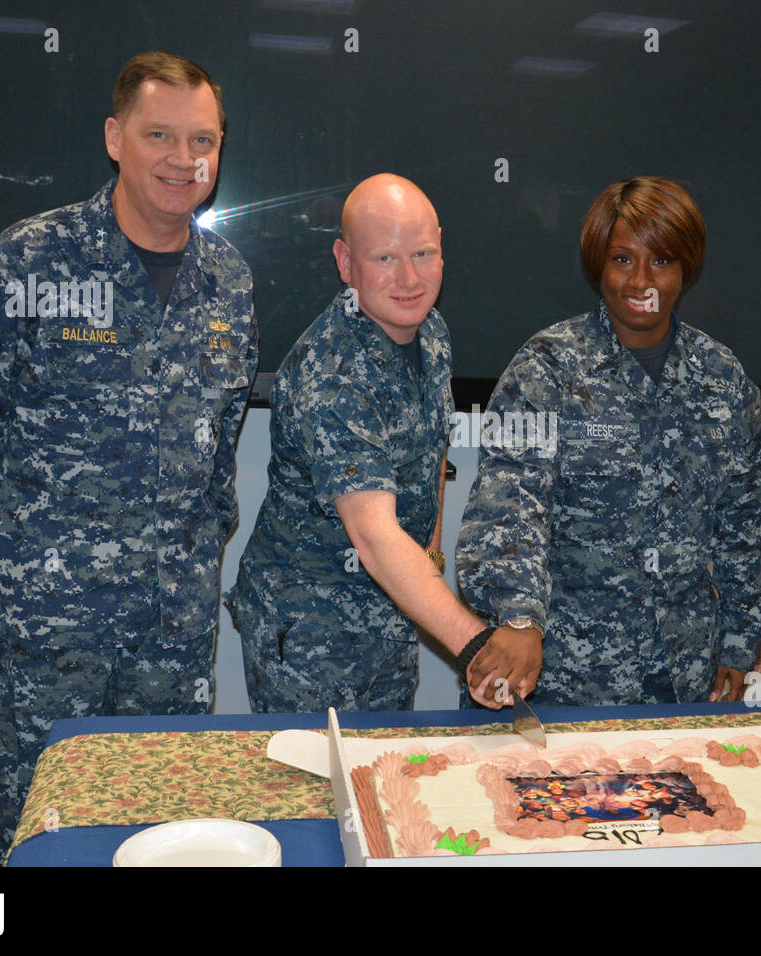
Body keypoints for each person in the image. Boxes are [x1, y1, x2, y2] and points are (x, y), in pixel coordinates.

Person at [0, 51, 256, 865]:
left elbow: (219, 447)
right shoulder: (27, 264)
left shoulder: (229, 282)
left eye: (203, 139)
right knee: (36, 841)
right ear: (113, 138)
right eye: (157, 133)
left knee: (163, 842)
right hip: (42, 640)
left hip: (172, 644)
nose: (182, 158)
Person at [455, 177, 761, 706]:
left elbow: (742, 523)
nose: (641, 280)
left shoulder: (723, 379)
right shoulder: (545, 367)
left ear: (686, 269)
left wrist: (743, 632)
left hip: (683, 678)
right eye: (623, 259)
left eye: (661, 261)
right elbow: (510, 505)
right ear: (598, 267)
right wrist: (517, 616)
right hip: (559, 679)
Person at [229, 174, 536, 713]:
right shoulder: (333, 375)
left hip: (392, 611)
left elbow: (431, 454)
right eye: (385, 259)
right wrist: (476, 645)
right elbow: (373, 535)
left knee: (385, 783)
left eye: (423, 253)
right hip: (310, 636)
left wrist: (431, 559)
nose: (410, 278)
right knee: (318, 793)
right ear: (345, 263)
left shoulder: (430, 332)